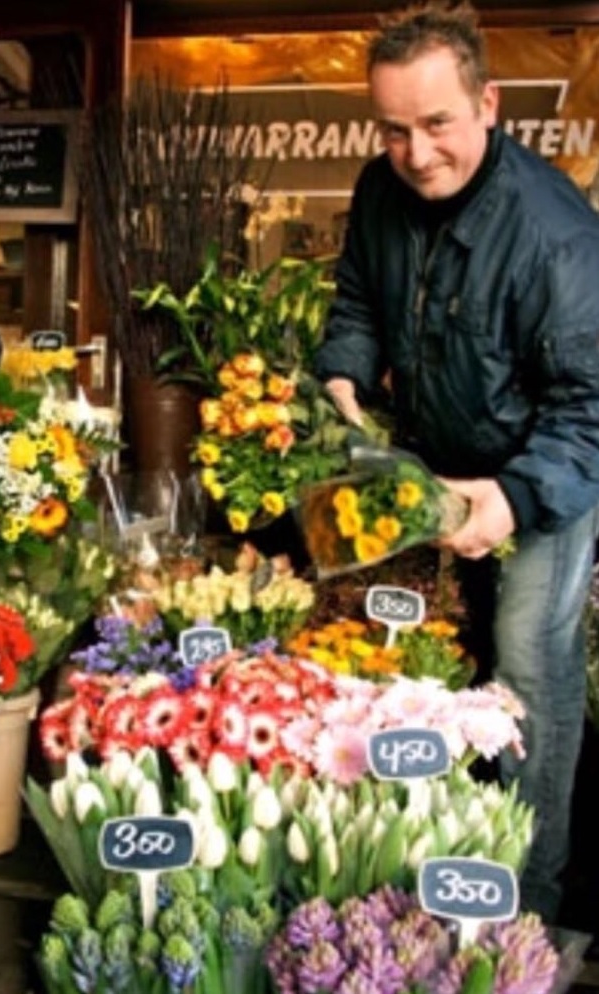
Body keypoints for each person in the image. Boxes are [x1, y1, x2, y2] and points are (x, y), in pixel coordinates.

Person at [314, 1, 599, 923]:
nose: (418, 152)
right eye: (394, 129)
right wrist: (346, 379)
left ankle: (530, 899)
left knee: (527, 657)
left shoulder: (556, 234)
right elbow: (358, 298)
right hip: (433, 465)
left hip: (545, 473)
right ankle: (437, 850)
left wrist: (511, 500)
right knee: (431, 648)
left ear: (488, 104)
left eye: (437, 123)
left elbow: (591, 410)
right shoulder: (378, 188)